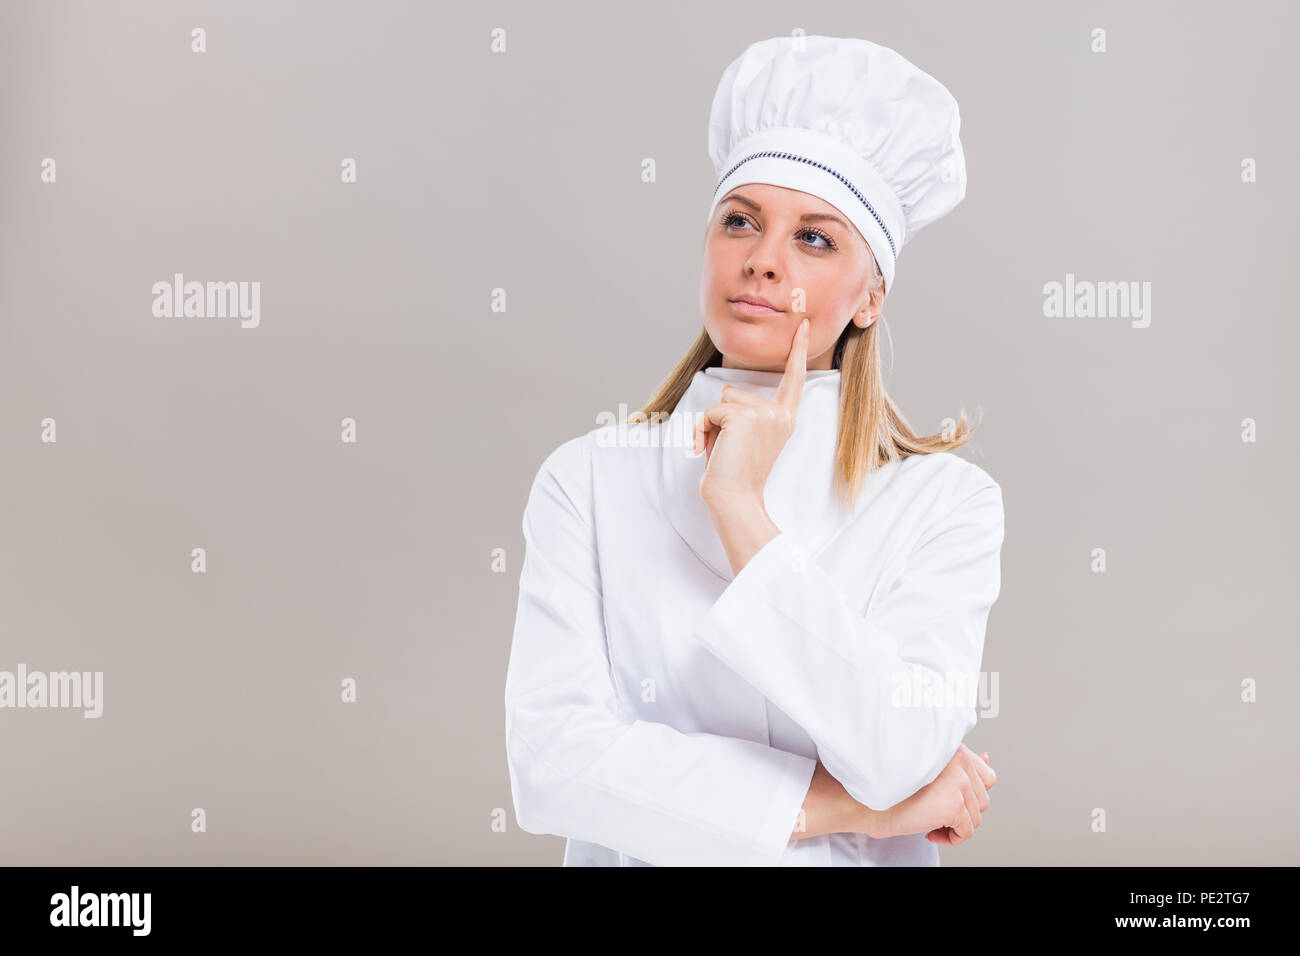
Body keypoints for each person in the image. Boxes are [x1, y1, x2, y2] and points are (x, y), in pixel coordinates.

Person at [503, 35, 1004, 866]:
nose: (763, 260)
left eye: (815, 239)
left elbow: (900, 748)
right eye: (740, 221)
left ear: (871, 293)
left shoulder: (943, 502)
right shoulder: (585, 480)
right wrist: (841, 807)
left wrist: (740, 509)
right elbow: (553, 765)